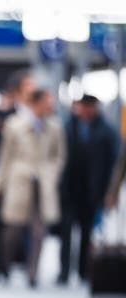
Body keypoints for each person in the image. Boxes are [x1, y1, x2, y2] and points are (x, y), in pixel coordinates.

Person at [0, 89, 66, 288]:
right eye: (47, 102)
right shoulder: (15, 125)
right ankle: (4, 267)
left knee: (39, 231)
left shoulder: (54, 127)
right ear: (36, 103)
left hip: (44, 185)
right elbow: (5, 156)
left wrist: (52, 172)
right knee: (12, 229)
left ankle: (33, 273)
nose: (51, 106)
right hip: (19, 183)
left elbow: (59, 156)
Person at [58, 94, 119, 284]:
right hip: (68, 188)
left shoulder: (106, 131)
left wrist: (109, 191)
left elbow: (113, 163)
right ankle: (64, 272)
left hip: (92, 190)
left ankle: (84, 271)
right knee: (65, 232)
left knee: (86, 232)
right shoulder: (68, 127)